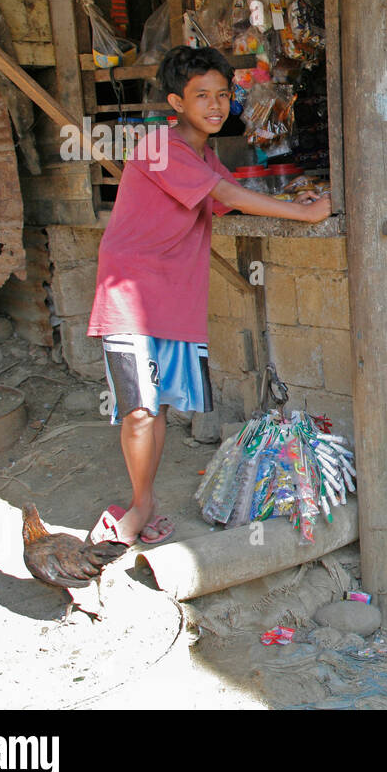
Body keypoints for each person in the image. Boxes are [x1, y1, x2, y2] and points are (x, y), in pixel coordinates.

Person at [86, 46, 332, 545]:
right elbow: (227, 197)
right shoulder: (159, 147)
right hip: (131, 293)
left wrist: (291, 199)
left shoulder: (202, 153)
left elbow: (230, 191)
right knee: (139, 409)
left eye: (223, 94)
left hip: (172, 293)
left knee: (156, 409)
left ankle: (143, 499)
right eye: (202, 96)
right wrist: (306, 214)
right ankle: (139, 506)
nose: (216, 105)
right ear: (177, 102)